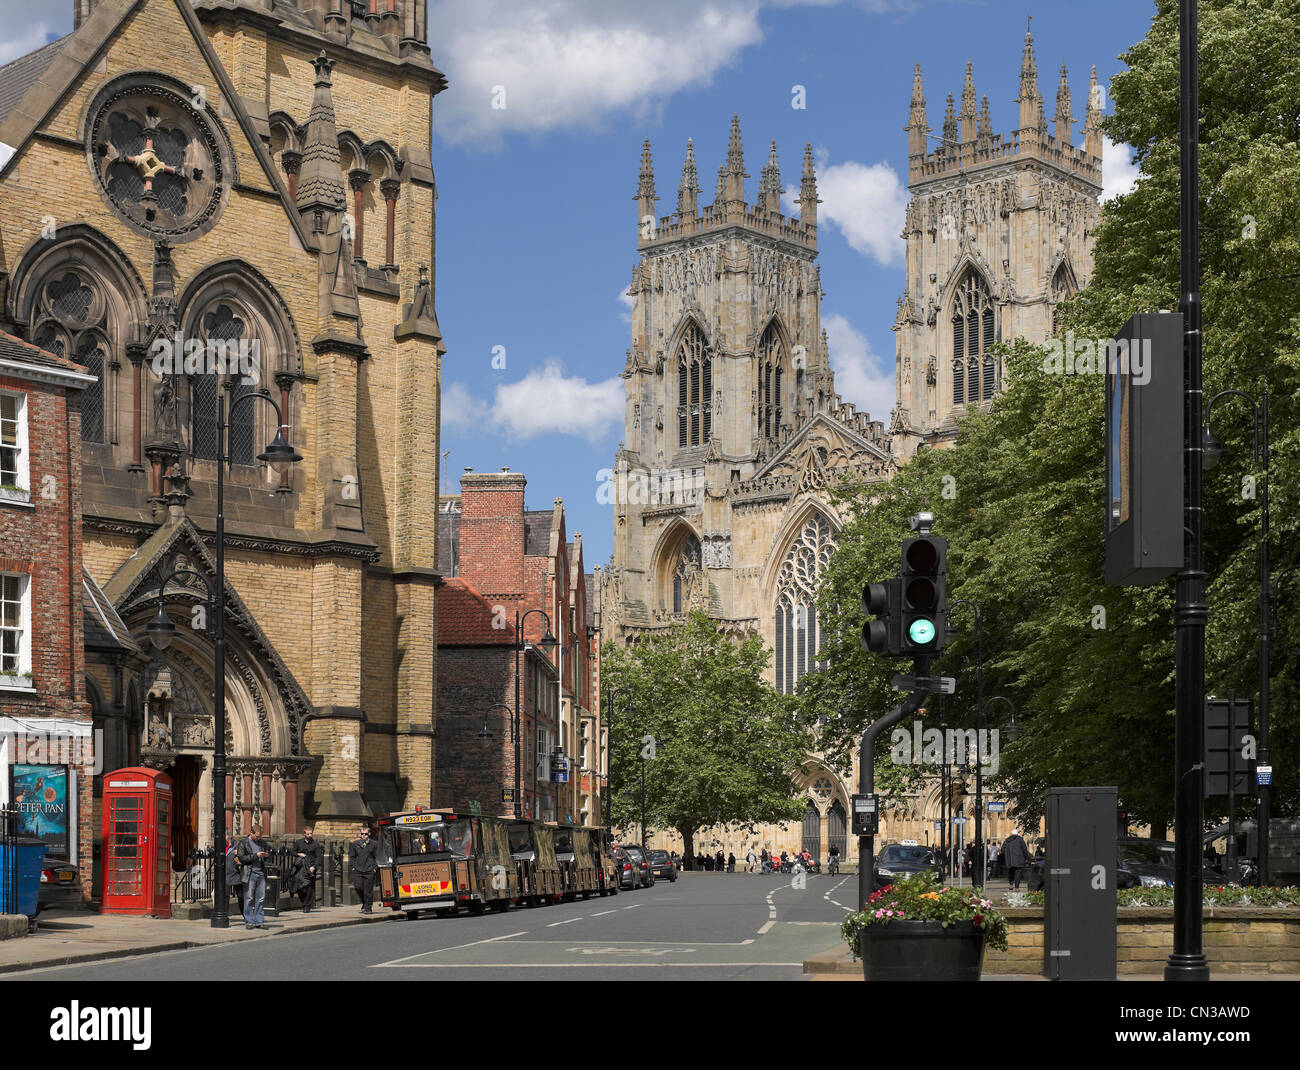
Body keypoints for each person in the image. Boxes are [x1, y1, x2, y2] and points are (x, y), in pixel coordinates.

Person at [238, 823, 269, 929]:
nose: (258, 838)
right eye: (256, 836)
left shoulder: (262, 842)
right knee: (249, 898)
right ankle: (249, 922)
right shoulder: (243, 843)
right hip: (249, 873)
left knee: (260, 898)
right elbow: (242, 858)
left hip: (261, 873)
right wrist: (256, 855)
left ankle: (259, 921)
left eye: (260, 836)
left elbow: (269, 853)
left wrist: (267, 855)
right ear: (251, 833)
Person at [291, 825, 323, 913]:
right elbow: (292, 851)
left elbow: (319, 857)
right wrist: (298, 854)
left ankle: (307, 905)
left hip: (311, 868)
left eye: (311, 834)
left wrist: (314, 867)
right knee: (300, 886)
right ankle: (303, 902)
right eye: (308, 834)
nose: (310, 836)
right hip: (301, 867)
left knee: (309, 887)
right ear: (304, 834)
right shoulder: (298, 842)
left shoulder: (316, 844)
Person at [349, 826, 378, 914]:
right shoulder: (355, 844)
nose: (364, 835)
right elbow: (352, 857)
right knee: (358, 887)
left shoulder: (374, 844)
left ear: (369, 834)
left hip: (369, 870)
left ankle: (368, 908)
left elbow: (377, 857)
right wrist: (354, 866)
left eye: (366, 834)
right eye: (362, 834)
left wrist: (375, 868)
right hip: (358, 870)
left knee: (368, 890)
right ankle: (365, 903)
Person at [224, 833, 244, 917]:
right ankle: (224, 916)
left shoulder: (236, 846)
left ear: (228, 836)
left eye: (223, 835)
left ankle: (246, 916)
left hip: (236, 875)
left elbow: (244, 858)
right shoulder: (221, 846)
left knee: (241, 896)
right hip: (225, 875)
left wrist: (239, 853)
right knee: (225, 897)